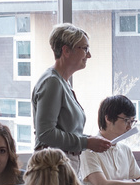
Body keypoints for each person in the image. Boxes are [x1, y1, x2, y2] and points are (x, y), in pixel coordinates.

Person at [31, 23, 110, 174]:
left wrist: (91, 140)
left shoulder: (62, 82)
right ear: (66, 50)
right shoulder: (52, 82)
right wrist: (86, 142)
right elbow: (45, 134)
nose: (89, 55)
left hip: (64, 163)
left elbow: (65, 131)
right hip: (53, 166)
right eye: (85, 48)